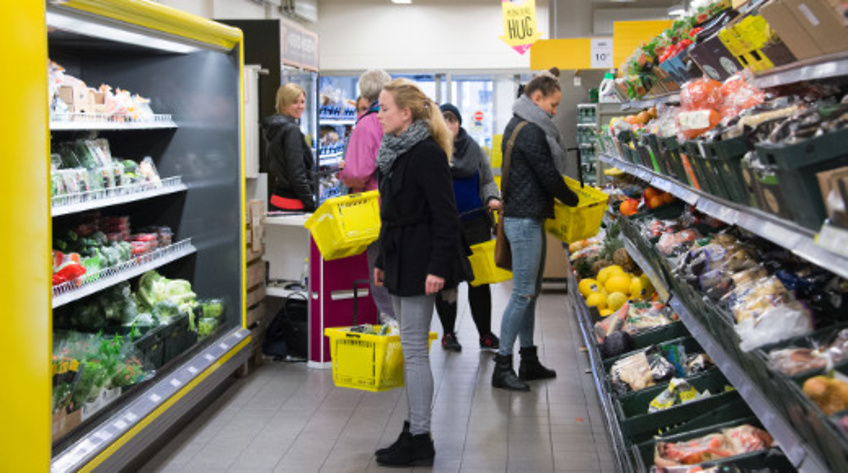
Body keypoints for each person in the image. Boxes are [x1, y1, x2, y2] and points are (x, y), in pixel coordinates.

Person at [372, 79, 469, 467]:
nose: (378, 116)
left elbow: (446, 216)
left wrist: (438, 267)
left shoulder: (425, 153)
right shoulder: (395, 152)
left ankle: (420, 437)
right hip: (398, 255)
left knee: (413, 351)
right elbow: (391, 212)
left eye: (383, 108)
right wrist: (381, 259)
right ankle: (414, 428)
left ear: (405, 113)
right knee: (411, 348)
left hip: (420, 259)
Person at [492, 72, 579, 392]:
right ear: (537, 98)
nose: (556, 111)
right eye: (553, 104)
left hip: (527, 217)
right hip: (525, 220)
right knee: (523, 293)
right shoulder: (530, 131)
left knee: (529, 293)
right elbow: (549, 177)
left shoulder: (520, 123)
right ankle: (503, 365)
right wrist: (576, 199)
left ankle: (528, 360)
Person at [436, 103, 501, 352]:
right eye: (444, 120)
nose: (449, 125)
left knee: (479, 281)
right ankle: (448, 333)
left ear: (459, 123)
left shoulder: (475, 149)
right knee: (447, 282)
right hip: (446, 226)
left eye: (452, 120)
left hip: (475, 224)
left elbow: (487, 182)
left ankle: (484, 334)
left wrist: (492, 199)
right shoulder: (433, 151)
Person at [339, 69, 396, 320]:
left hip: (375, 209)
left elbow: (357, 171)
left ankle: (393, 333)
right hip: (402, 208)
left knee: (380, 275)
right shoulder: (400, 120)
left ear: (364, 94)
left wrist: (345, 175)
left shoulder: (367, 125)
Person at [262, 83, 316, 212]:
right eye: (294, 102)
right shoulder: (291, 130)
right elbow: (296, 174)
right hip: (293, 202)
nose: (300, 106)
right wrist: (310, 204)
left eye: (302, 102)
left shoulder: (273, 128)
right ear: (284, 104)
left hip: (277, 198)